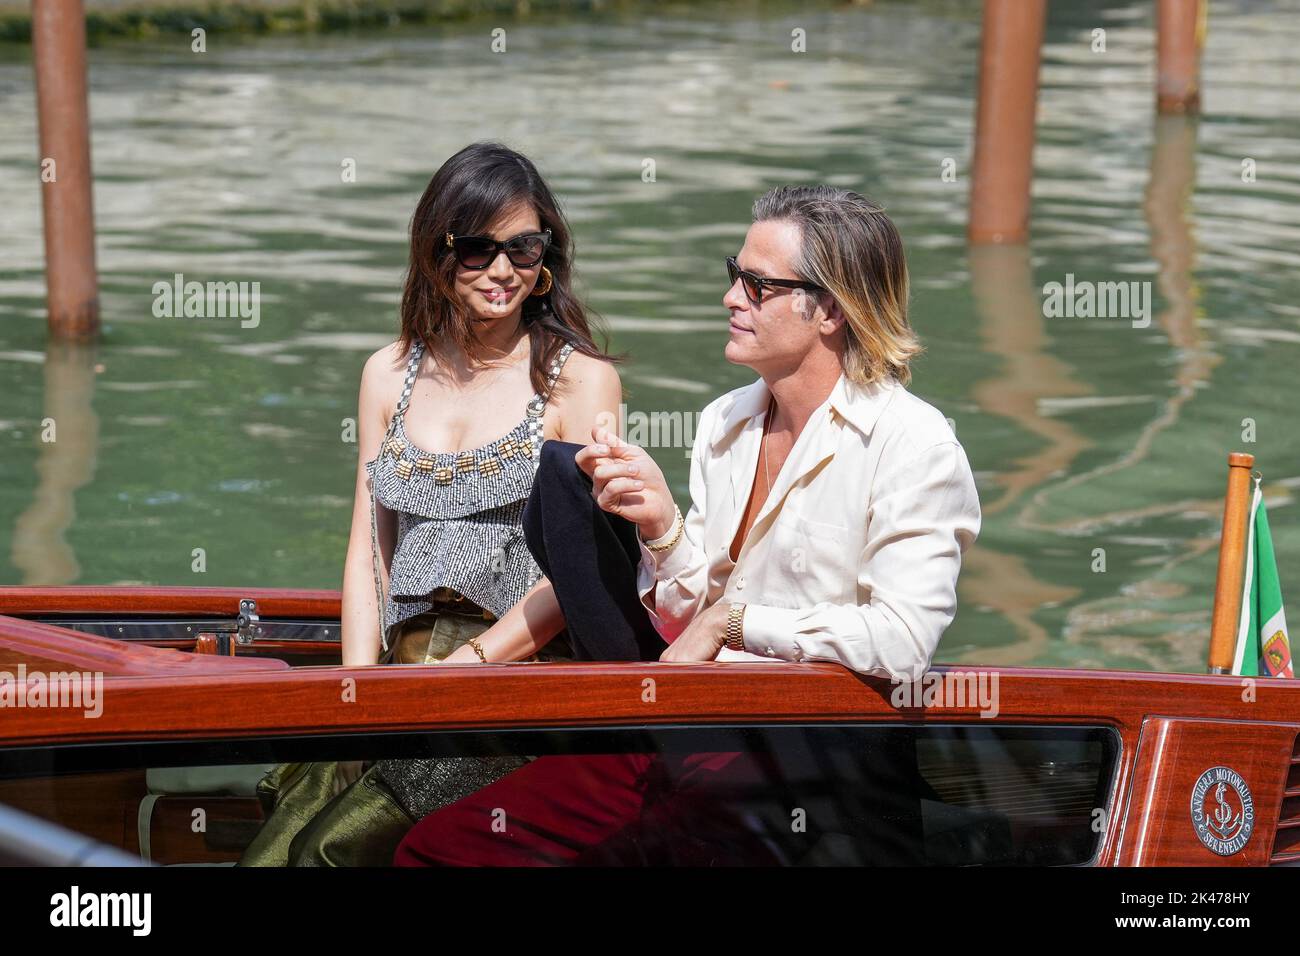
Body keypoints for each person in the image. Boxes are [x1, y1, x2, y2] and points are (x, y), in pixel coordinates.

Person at [394, 185, 981, 866]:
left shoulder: (914, 445)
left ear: (828, 309)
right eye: (736, 275)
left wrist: (735, 622)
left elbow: (903, 643)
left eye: (757, 286)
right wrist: (661, 526)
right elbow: (682, 626)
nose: (732, 298)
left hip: (806, 758)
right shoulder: (725, 422)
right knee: (442, 851)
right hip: (693, 725)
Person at [239, 141, 629, 867]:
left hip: (513, 680)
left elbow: (576, 577)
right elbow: (368, 556)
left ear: (546, 255)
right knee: (273, 849)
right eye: (479, 249)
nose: (503, 271)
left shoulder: (579, 381)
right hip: (400, 670)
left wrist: (471, 666)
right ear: (436, 252)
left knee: (326, 853)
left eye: (523, 247)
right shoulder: (386, 373)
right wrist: (356, 692)